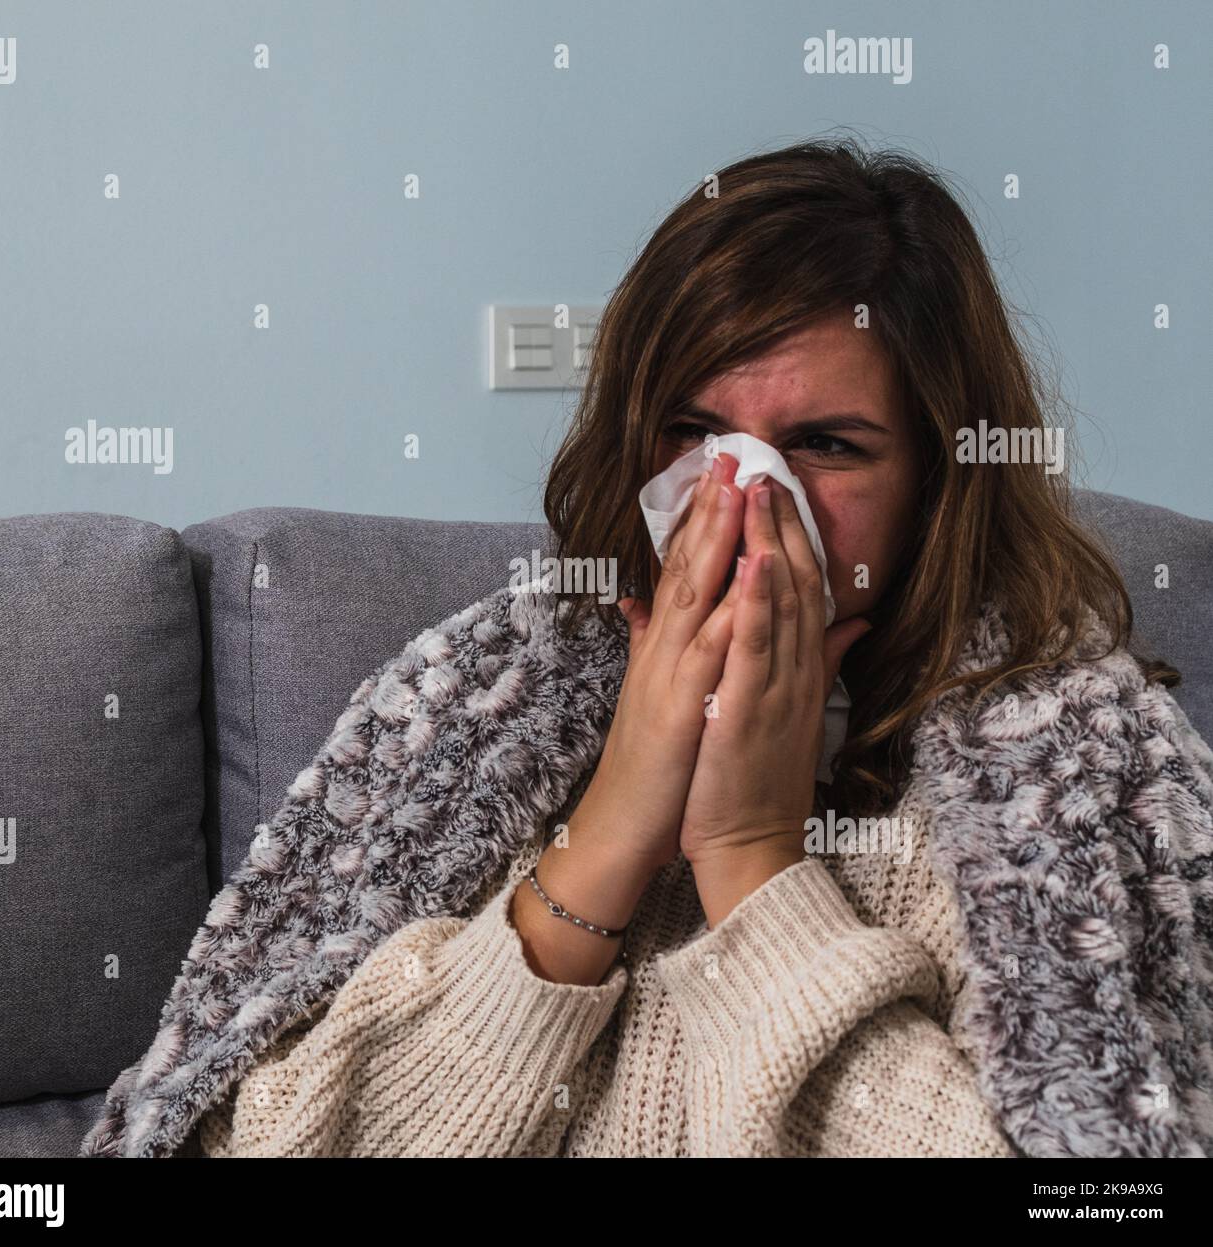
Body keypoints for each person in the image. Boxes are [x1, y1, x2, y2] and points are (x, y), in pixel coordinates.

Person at [126, 137, 1213, 1159]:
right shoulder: (479, 702)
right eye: (694, 434)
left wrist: (750, 859)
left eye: (824, 445)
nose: (739, 496)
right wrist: (603, 835)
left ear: (938, 482)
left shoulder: (1071, 774)